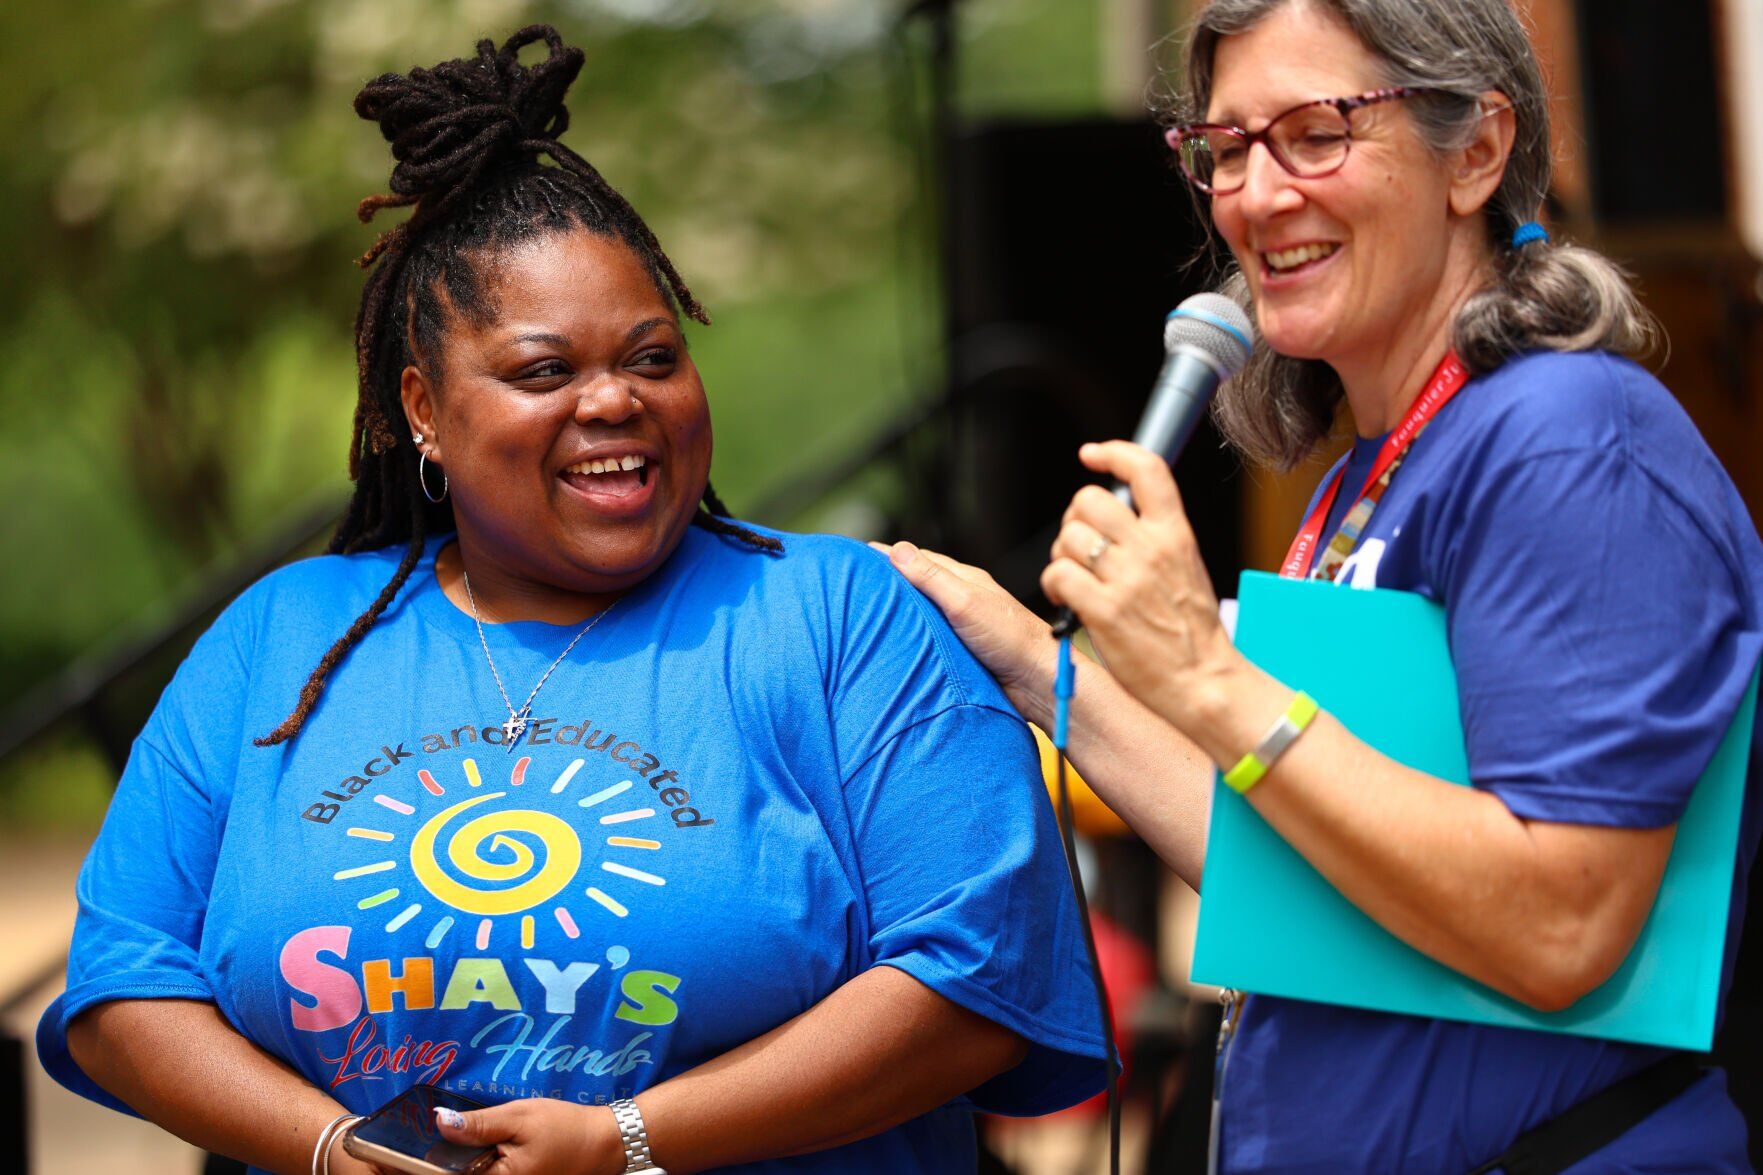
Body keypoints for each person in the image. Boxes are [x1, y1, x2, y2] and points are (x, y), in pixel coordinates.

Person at [36, 26, 1107, 1175]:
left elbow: (980, 969)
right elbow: (123, 979)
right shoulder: (281, 636)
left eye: (651, 357)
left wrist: (629, 1140)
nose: (613, 400)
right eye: (545, 371)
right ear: (424, 410)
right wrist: (328, 1147)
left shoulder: (842, 618)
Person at [876, 0, 1763, 1170]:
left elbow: (1561, 925)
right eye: (1225, 148)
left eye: (1314, 132)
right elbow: (1297, 861)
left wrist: (1202, 674)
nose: (1252, 193)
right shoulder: (1368, 471)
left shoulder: (1566, 439)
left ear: (1477, 151)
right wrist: (1038, 667)